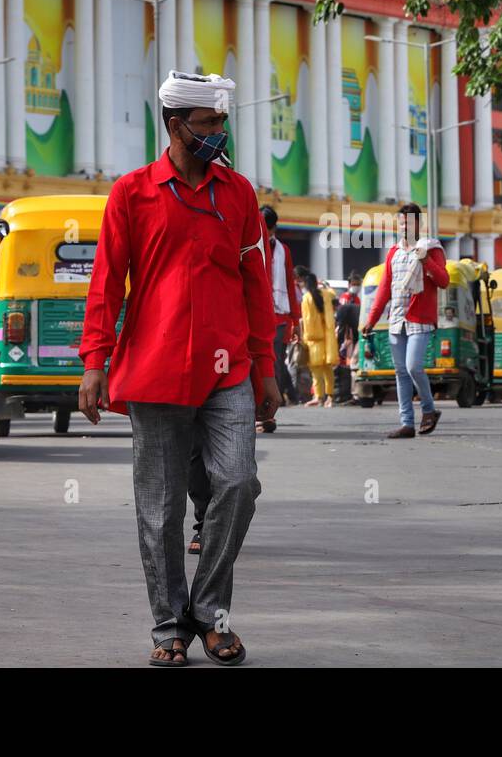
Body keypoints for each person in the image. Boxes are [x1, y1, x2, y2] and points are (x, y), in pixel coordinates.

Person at [78, 70, 281, 668]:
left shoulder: (239, 194)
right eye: (209, 123)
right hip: (156, 369)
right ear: (175, 126)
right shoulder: (131, 195)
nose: (220, 132)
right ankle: (170, 625)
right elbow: (107, 283)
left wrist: (265, 366)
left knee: (239, 483)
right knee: (161, 509)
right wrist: (95, 362)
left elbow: (255, 282)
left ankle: (211, 613)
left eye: (222, 121)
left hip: (228, 370)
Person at [361, 203, 448, 438]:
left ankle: (429, 410)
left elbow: (443, 280)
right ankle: (407, 423)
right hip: (397, 319)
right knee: (400, 372)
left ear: (419, 224)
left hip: (420, 319)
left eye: (408, 222)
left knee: (413, 367)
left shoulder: (431, 248)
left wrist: (426, 261)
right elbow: (384, 290)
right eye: (401, 222)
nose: (403, 226)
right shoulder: (394, 253)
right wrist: (371, 320)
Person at [260, 206, 301, 414]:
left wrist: (296, 321)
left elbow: (289, 284)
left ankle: (269, 414)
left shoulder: (283, 250)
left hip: (279, 317)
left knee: (274, 363)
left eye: (265, 228)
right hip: (256, 314)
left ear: (273, 228)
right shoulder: (249, 245)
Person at [300, 272, 339, 407]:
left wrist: (305, 339)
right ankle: (330, 397)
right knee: (328, 370)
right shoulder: (326, 294)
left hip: (314, 339)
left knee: (316, 371)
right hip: (328, 337)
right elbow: (334, 295)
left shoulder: (306, 298)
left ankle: (318, 397)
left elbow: (307, 321)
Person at [334, 290, 361, 404]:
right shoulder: (351, 308)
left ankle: (356, 396)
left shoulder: (341, 310)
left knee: (354, 363)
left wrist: (337, 348)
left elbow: (340, 330)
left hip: (364, 334)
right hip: (364, 333)